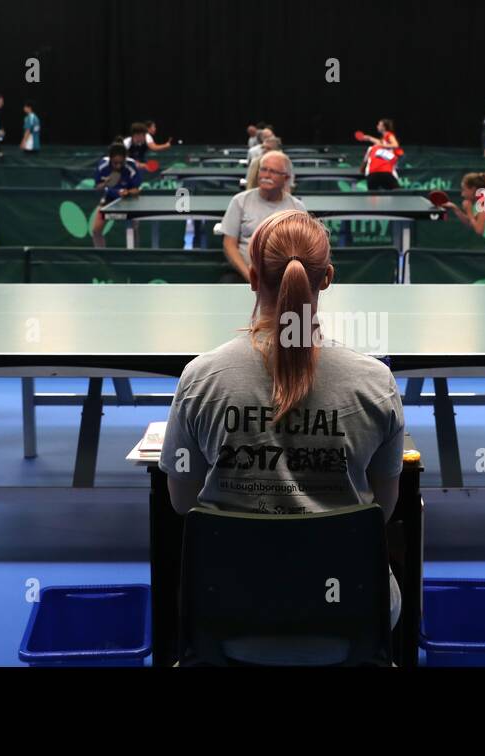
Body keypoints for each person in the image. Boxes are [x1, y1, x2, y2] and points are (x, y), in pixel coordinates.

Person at [159, 209, 406, 641]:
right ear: (326, 278)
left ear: (253, 278)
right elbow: (382, 509)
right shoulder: (376, 382)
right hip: (349, 606)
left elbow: (182, 501)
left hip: (229, 605)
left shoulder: (200, 378)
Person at [221, 151, 306, 280]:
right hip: (243, 274)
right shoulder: (240, 201)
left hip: (283, 277)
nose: (266, 175)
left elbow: (302, 249)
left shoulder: (297, 208)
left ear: (286, 178)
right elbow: (229, 244)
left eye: (273, 172)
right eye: (263, 170)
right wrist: (249, 275)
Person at [92, 142, 142, 248]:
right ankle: (101, 257)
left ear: (125, 158)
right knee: (96, 230)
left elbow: (136, 190)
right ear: (110, 158)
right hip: (109, 198)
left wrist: (127, 192)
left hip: (129, 199)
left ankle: (134, 255)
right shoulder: (103, 166)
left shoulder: (131, 166)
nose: (118, 165)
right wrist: (105, 183)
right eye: (115, 163)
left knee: (133, 228)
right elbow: (97, 187)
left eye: (121, 162)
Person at [357, 118, 402, 190]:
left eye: (379, 125)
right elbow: (379, 142)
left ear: (384, 127)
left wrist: (381, 146)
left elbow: (395, 145)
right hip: (383, 170)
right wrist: (368, 138)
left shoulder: (389, 135)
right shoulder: (384, 138)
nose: (377, 126)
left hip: (385, 168)